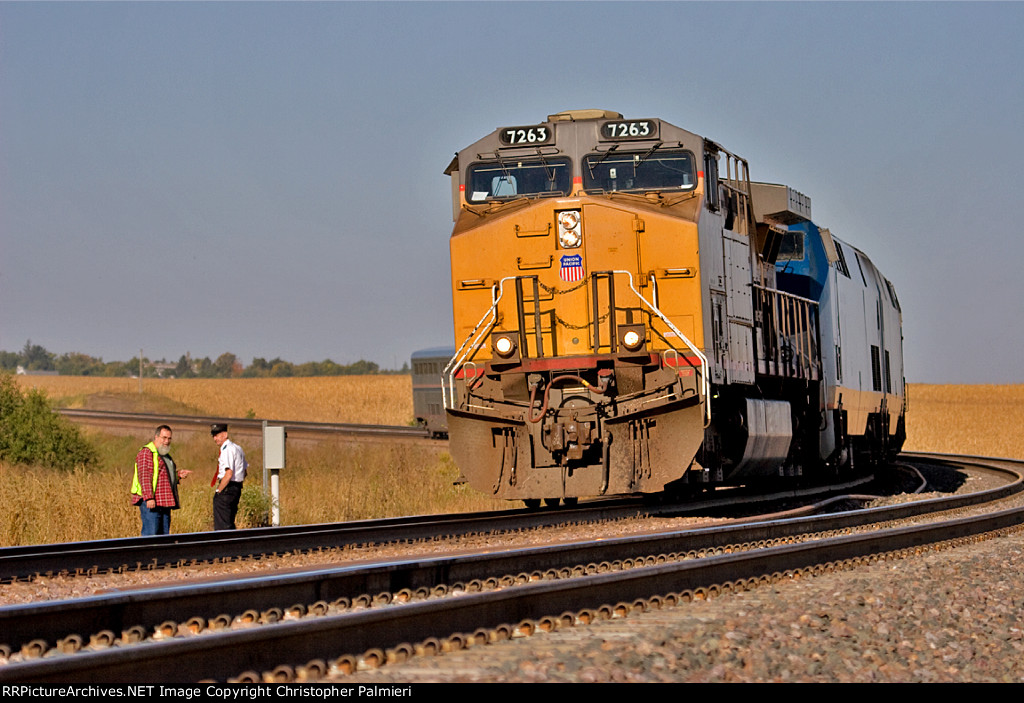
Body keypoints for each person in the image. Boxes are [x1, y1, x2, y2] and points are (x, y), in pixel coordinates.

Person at [130, 425, 192, 536]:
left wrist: (177, 476)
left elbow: (162, 476)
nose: (167, 441)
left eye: (169, 438)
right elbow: (144, 476)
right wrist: (149, 498)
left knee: (163, 539)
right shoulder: (147, 453)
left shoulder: (165, 455)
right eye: (164, 438)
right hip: (152, 503)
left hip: (164, 502)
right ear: (156, 437)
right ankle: (148, 554)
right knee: (151, 537)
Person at [210, 423, 247, 530]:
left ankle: (223, 544)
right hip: (237, 487)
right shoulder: (238, 448)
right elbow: (244, 472)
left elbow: (228, 473)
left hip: (227, 488)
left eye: (217, 435)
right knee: (229, 521)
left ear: (225, 434)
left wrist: (219, 490)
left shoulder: (227, 450)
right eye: (213, 436)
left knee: (222, 524)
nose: (215, 438)